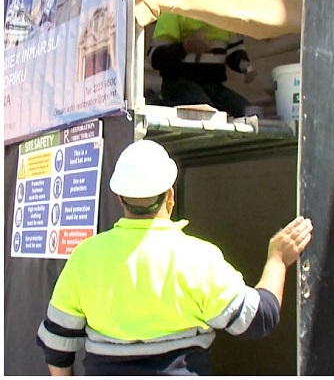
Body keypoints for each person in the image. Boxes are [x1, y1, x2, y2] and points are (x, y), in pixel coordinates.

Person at [35, 140, 313, 375]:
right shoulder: (198, 258)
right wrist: (276, 259)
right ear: (170, 196)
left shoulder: (85, 257)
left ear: (120, 199)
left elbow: (57, 346)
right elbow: (258, 319)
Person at [149, 11, 257, 117]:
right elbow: (154, 57)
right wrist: (184, 47)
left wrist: (246, 66)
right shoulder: (174, 10)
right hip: (178, 82)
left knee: (248, 113)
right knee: (203, 110)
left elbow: (234, 51)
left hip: (214, 87)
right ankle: (159, 104)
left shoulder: (225, 14)